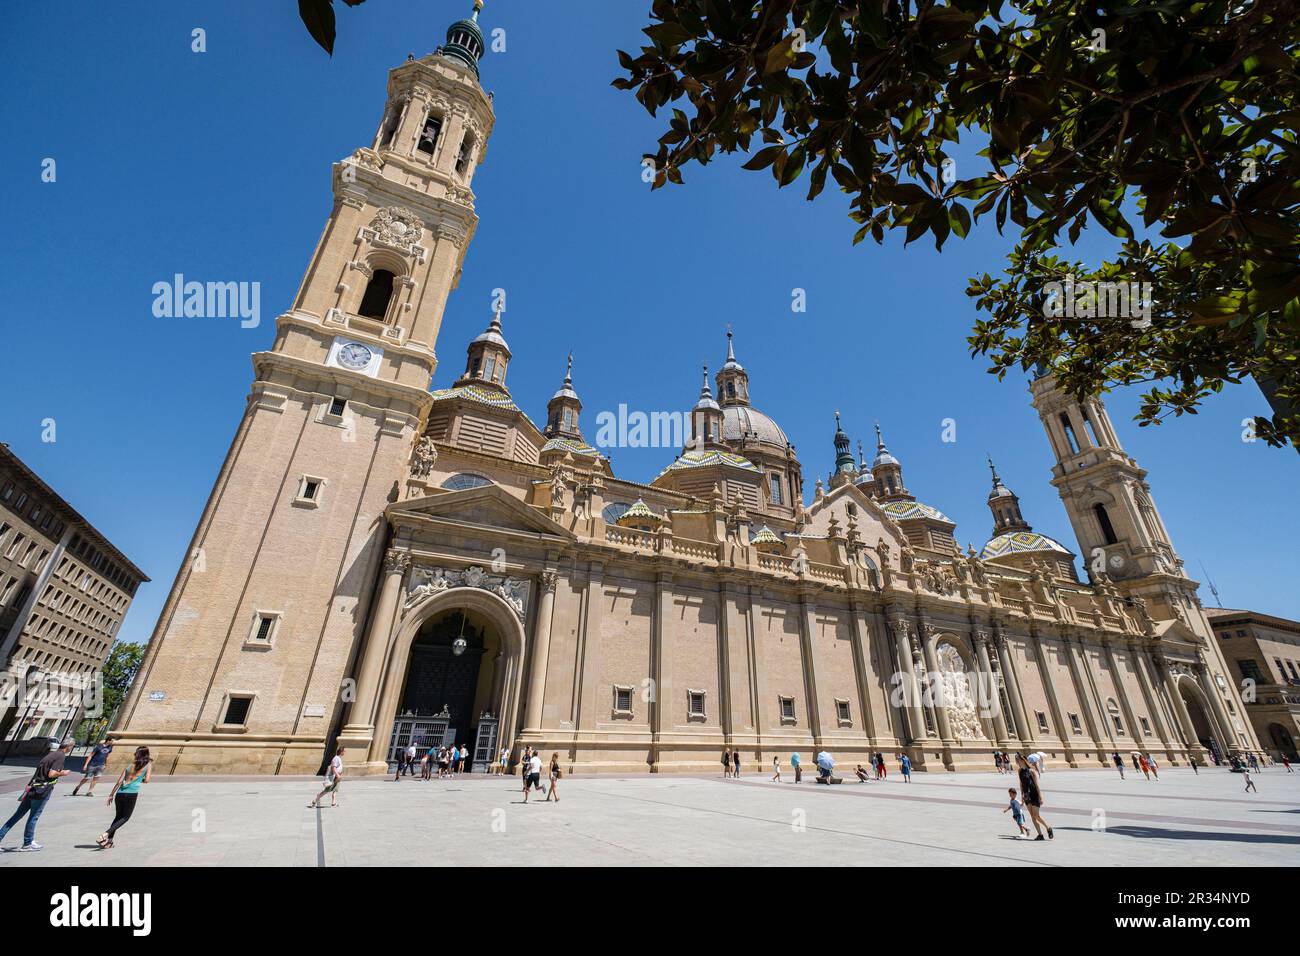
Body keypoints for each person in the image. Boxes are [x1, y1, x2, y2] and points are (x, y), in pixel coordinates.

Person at [0, 738, 74, 851]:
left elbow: (38, 772)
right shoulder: (60, 756)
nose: (71, 749)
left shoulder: (51, 755)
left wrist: (28, 789)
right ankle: (28, 843)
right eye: (72, 747)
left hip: (33, 788)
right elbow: (52, 773)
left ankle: (12, 838)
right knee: (33, 817)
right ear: (68, 746)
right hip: (42, 791)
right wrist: (63, 773)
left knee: (16, 816)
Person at [97, 746, 152, 849]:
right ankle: (105, 834)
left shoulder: (129, 765)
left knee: (118, 817)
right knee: (125, 817)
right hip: (132, 793)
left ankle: (109, 842)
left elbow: (118, 782)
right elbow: (147, 780)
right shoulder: (148, 765)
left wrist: (111, 795)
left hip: (120, 793)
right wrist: (140, 779)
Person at [1015, 752, 1053, 841]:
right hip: (1027, 795)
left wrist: (1040, 796)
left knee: (1036, 816)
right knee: (1032, 816)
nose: (1017, 761)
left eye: (1018, 760)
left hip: (1034, 794)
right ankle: (1040, 835)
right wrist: (1022, 796)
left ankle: (1048, 828)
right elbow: (1021, 784)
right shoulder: (1020, 771)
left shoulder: (1031, 771)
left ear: (1022, 760)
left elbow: (1036, 785)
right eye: (1016, 760)